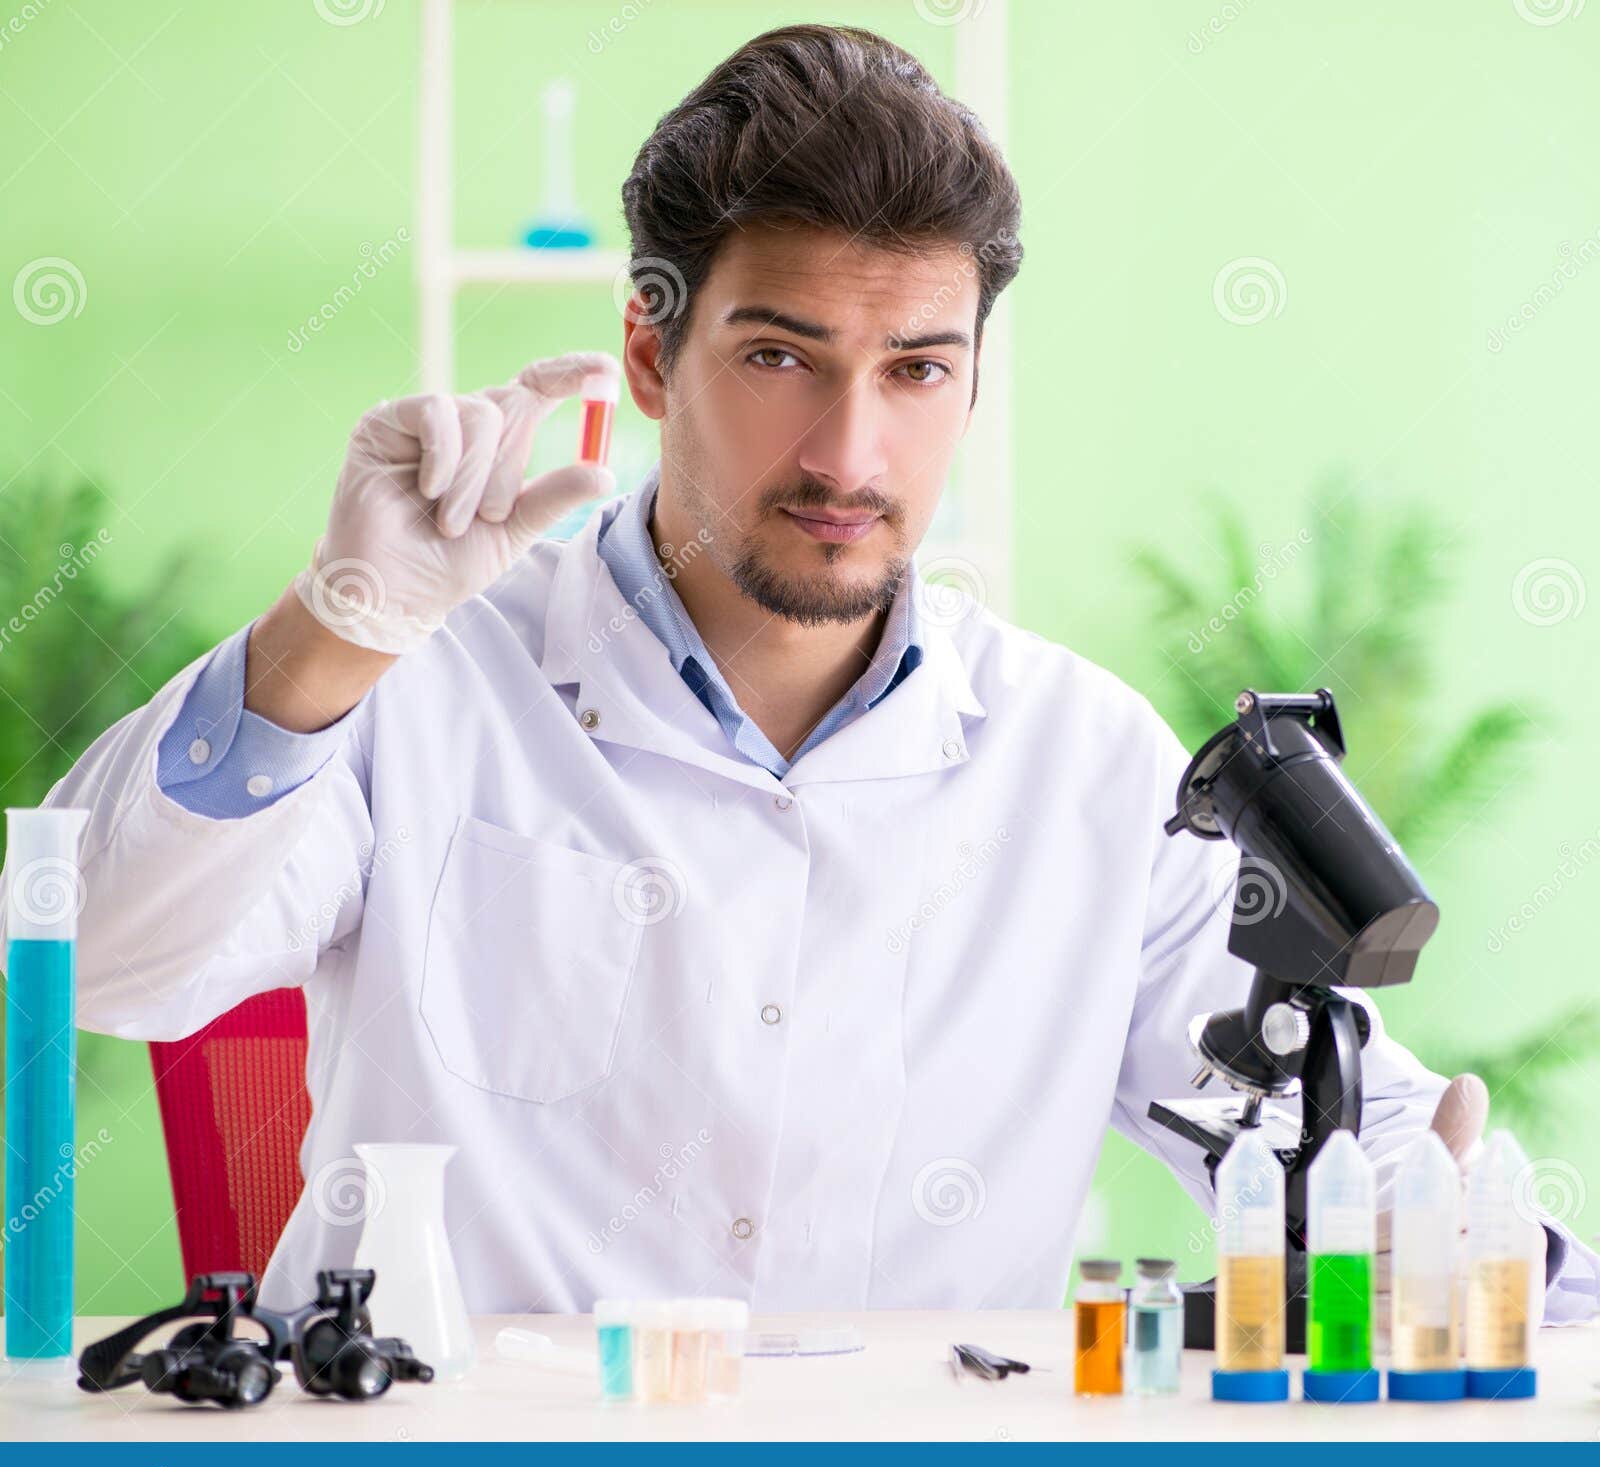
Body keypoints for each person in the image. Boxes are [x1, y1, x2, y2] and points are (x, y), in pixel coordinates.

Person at [5, 25, 1593, 1322]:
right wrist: (335, 629)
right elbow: (113, 968)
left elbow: (1353, 1144)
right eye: (781, 358)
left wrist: (1458, 1233)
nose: (852, 452)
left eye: (917, 370)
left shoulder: (1089, 768)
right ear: (650, 354)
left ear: (973, 378)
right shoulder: (419, 679)